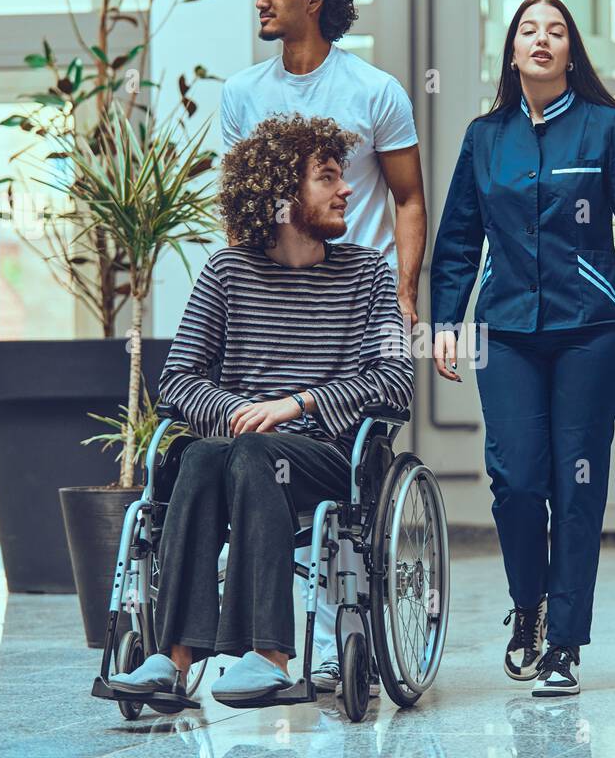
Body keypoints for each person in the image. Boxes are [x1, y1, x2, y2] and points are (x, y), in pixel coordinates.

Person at [429, 0, 615, 697]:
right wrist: (443, 322)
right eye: (529, 30)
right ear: (513, 52)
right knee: (517, 479)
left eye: (555, 30)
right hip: (505, 331)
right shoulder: (484, 136)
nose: (542, 39)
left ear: (571, 51)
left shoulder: (605, 128)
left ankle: (564, 643)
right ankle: (529, 604)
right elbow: (459, 236)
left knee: (577, 485)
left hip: (591, 331)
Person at [108, 113, 413, 704]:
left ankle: (269, 654)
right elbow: (178, 381)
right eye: (327, 178)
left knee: (250, 449)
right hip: (239, 450)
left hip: (330, 457)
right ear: (281, 193)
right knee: (198, 457)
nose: (346, 189)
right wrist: (240, 410)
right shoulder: (227, 271)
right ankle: (172, 660)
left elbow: (396, 380)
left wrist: (295, 405)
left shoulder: (370, 273)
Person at [220, 0, 428, 691]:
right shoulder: (243, 95)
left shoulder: (375, 92)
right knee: (239, 447)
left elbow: (408, 198)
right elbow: (242, 210)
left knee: (352, 458)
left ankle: (340, 615)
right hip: (281, 296)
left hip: (357, 297)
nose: (262, 3)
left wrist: (403, 294)